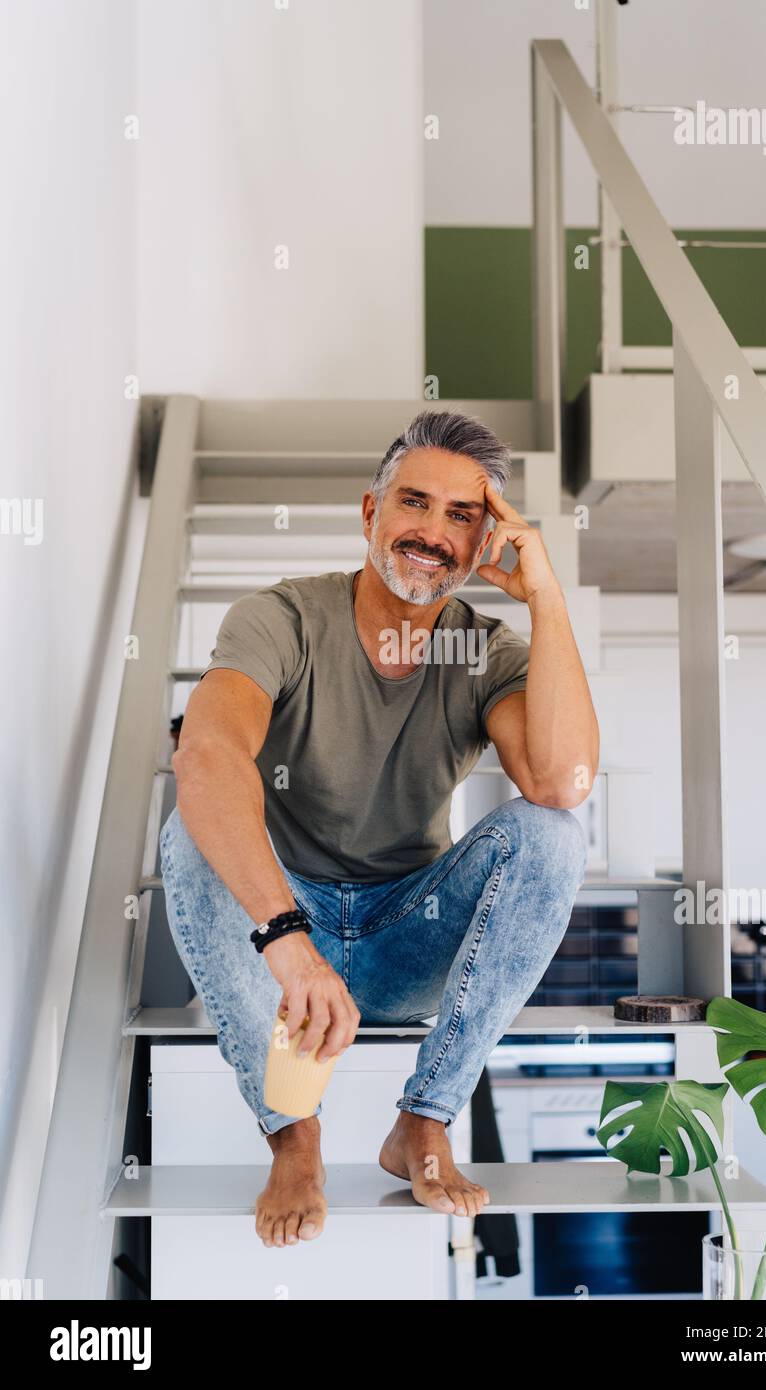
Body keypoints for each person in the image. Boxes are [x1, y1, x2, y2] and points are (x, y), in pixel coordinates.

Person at [158, 408, 599, 1248]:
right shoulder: (280, 619)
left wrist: (547, 599)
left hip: (410, 935)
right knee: (190, 829)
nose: (432, 533)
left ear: (483, 545)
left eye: (462, 517)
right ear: (371, 513)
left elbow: (559, 780)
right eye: (415, 503)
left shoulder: (486, 651)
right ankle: (293, 1131)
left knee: (553, 834)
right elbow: (207, 760)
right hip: (282, 937)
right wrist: (288, 940)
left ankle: (424, 1119)